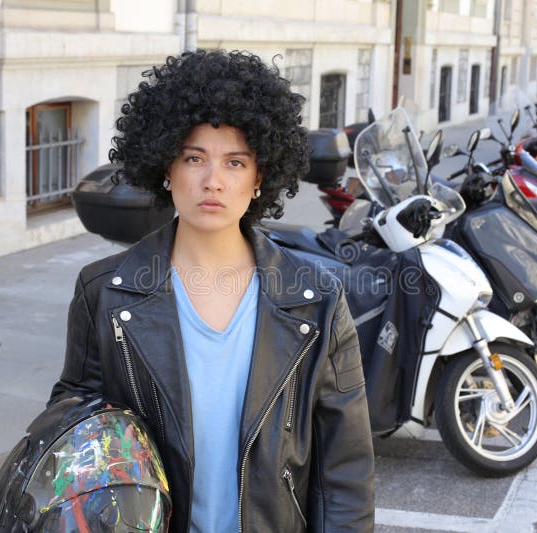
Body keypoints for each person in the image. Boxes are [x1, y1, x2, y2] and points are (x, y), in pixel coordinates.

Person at [49, 49, 375, 533]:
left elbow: (344, 469)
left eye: (236, 162)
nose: (213, 181)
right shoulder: (104, 293)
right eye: (194, 157)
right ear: (166, 167)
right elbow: (75, 430)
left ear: (260, 177)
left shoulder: (317, 299)